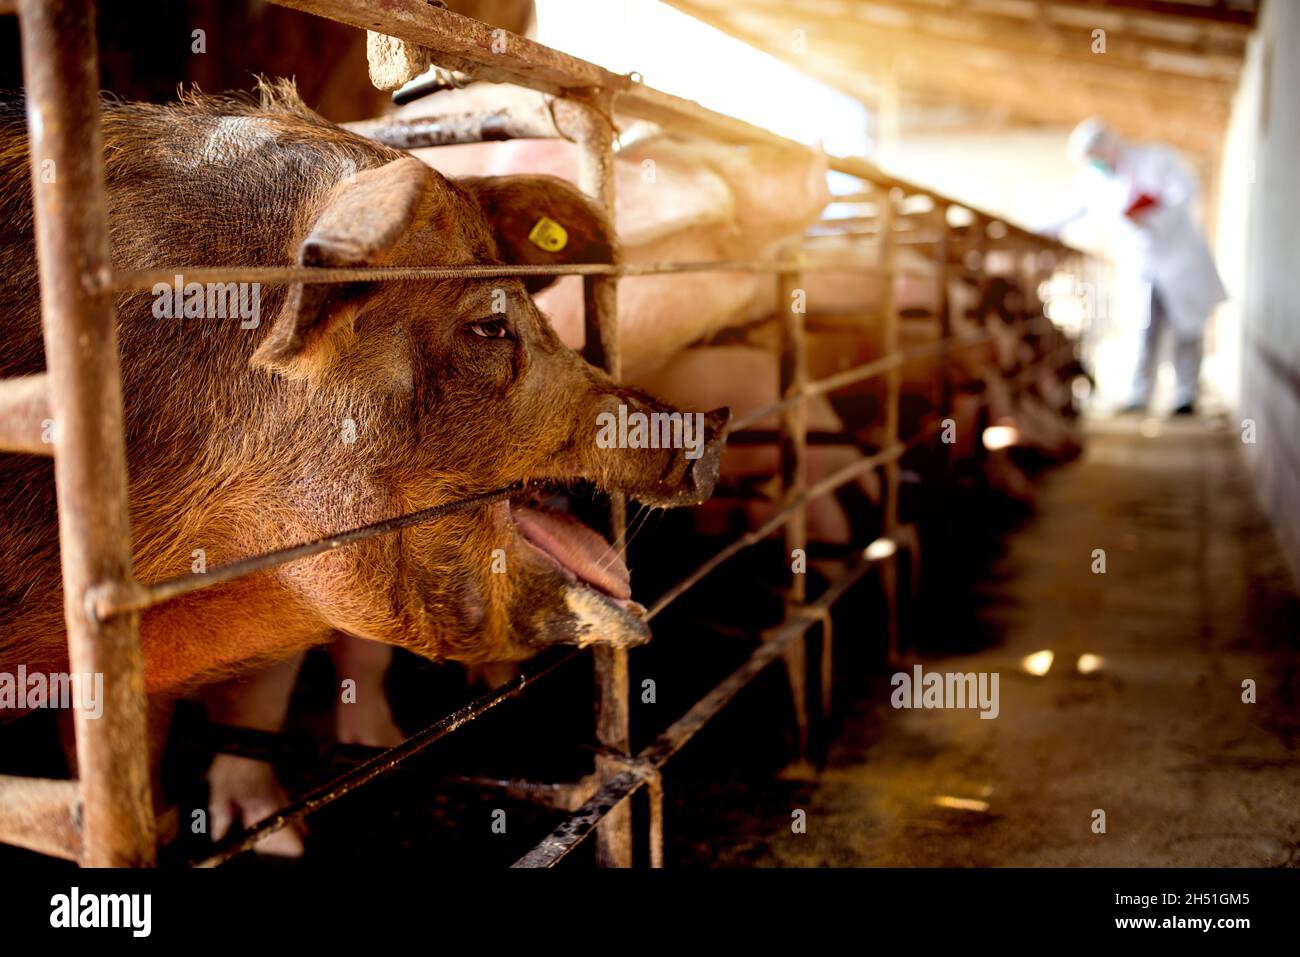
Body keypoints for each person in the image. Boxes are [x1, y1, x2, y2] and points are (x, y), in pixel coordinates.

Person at [1049, 118, 1227, 416]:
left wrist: (1149, 213)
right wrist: (1038, 230)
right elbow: (1073, 210)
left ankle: (1185, 396)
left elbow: (1185, 191)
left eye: (1095, 156)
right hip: (1142, 262)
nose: (1094, 163)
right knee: (1143, 328)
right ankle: (1139, 396)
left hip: (1178, 256)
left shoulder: (1156, 159)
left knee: (1187, 328)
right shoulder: (1094, 181)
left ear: (1108, 146)